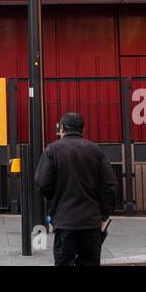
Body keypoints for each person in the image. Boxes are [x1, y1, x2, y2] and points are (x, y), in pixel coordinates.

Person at [34, 111, 119, 267]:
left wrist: (55, 200)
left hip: (64, 222)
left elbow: (42, 182)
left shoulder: (53, 150)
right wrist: (103, 215)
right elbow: (109, 186)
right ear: (83, 130)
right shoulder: (95, 151)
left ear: (63, 128)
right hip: (91, 222)